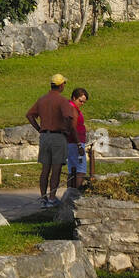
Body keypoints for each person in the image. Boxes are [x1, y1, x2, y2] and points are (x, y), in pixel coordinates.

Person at [27, 74, 77, 208]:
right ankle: (52, 198)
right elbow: (68, 117)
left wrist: (39, 129)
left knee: (45, 169)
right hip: (58, 136)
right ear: (61, 85)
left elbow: (30, 115)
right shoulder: (62, 101)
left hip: (44, 136)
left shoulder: (42, 99)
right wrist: (67, 130)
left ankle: (43, 198)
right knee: (56, 169)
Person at [67, 88, 90, 190]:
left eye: (84, 102)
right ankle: (75, 194)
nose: (82, 103)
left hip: (71, 142)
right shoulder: (73, 109)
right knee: (80, 170)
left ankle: (69, 193)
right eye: (80, 101)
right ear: (73, 98)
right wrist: (79, 145)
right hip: (75, 142)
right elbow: (73, 128)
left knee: (72, 169)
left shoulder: (70, 107)